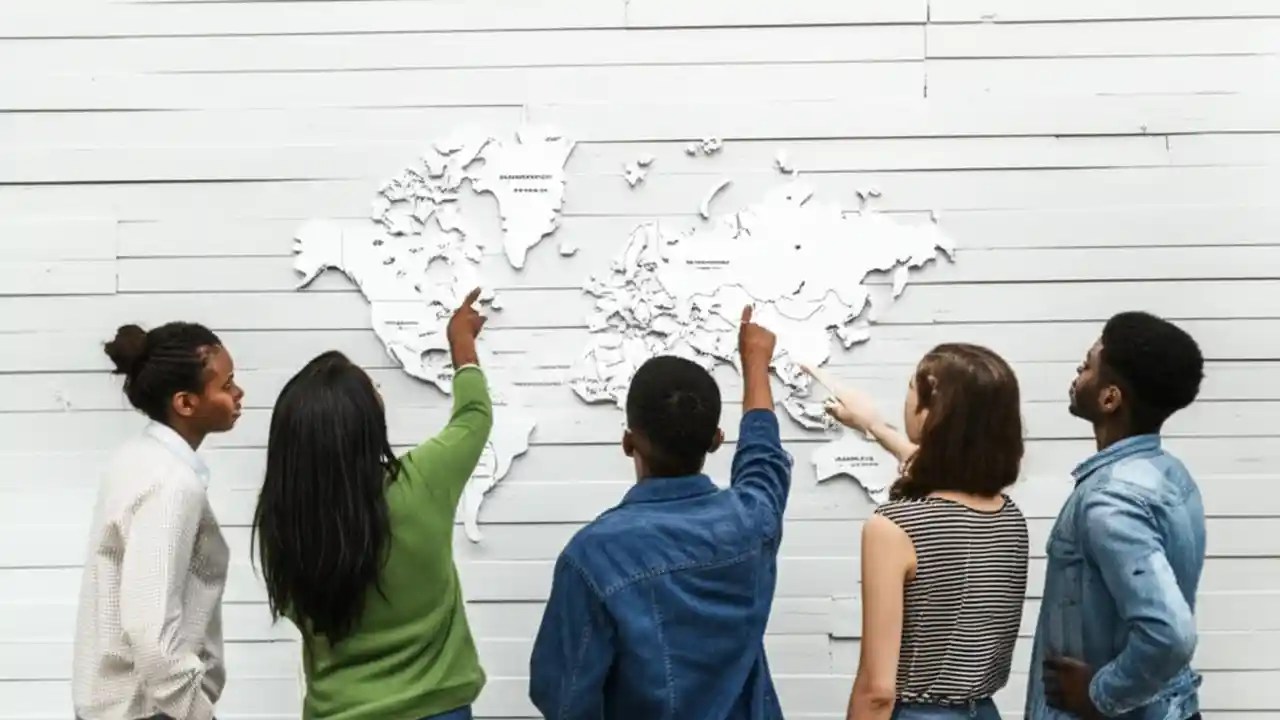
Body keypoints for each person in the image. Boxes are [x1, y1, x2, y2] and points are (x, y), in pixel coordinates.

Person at [528, 306, 793, 719]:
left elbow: (563, 699)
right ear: (716, 440)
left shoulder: (593, 556)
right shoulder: (751, 521)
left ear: (628, 441)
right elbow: (763, 457)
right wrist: (756, 363)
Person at [251, 289, 491, 720]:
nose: (380, 392)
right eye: (374, 390)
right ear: (365, 423)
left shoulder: (282, 521)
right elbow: (474, 415)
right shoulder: (423, 481)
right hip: (437, 709)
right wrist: (462, 344)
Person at [804, 344, 1029, 720]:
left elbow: (877, 691)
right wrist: (871, 424)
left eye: (911, 389)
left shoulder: (895, 527)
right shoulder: (1009, 517)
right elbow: (934, 465)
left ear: (933, 410)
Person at [1027, 311, 1206, 720]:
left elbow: (1171, 635)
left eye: (1088, 364)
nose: (1078, 369)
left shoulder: (1111, 498)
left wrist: (1100, 695)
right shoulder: (1170, 473)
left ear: (1110, 398)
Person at [73, 322, 244, 720]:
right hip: (150, 712)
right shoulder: (170, 485)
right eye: (226, 385)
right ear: (185, 403)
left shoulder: (136, 458)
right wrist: (199, 714)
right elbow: (152, 636)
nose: (238, 394)